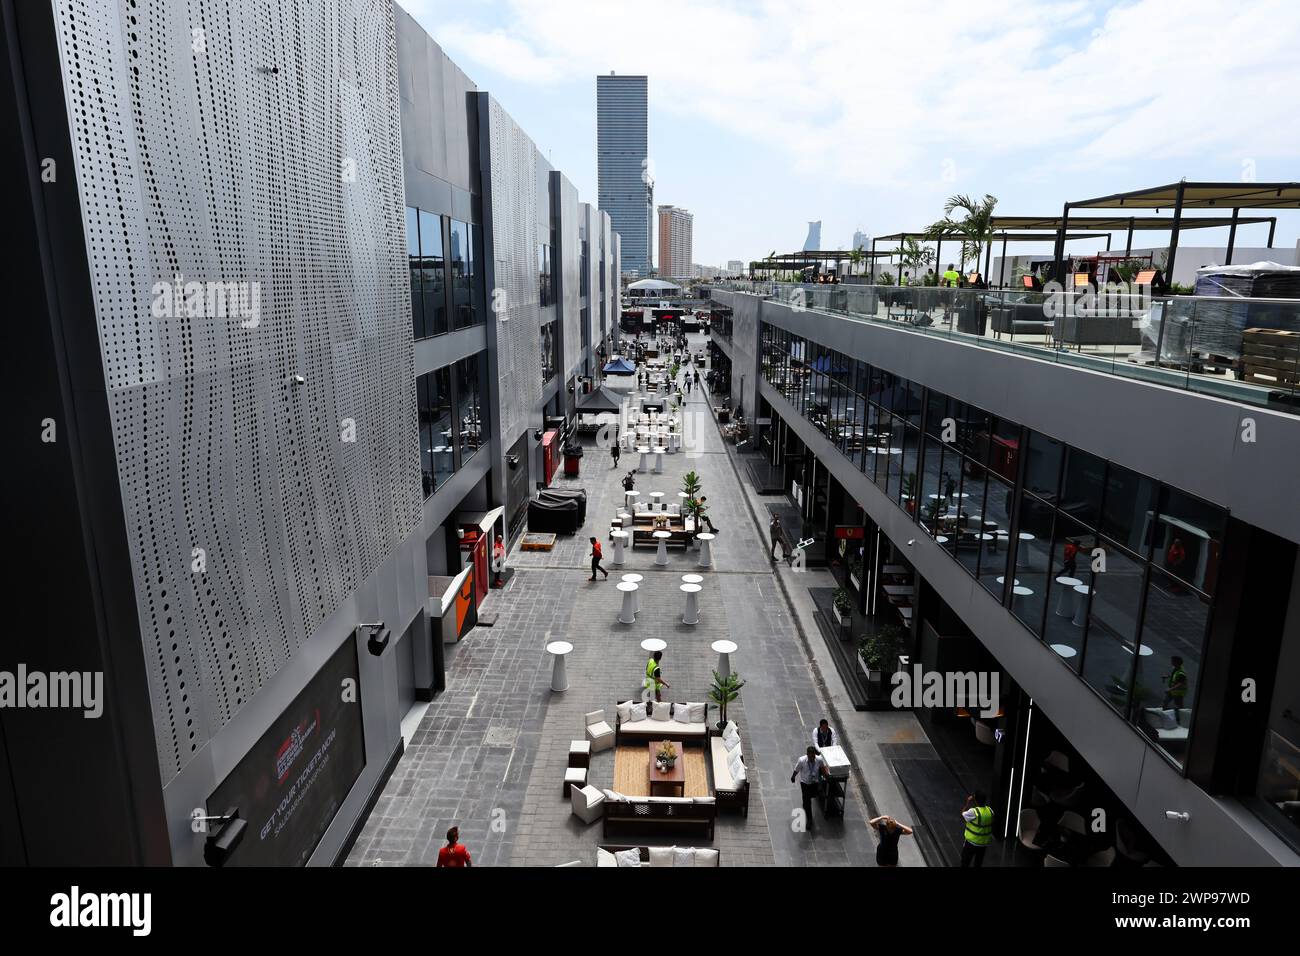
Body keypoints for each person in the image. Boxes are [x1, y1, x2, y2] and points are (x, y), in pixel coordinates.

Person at [790, 746, 830, 829]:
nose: (812, 758)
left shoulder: (819, 760)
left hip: (814, 783)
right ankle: (810, 819)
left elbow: (822, 769)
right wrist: (793, 777)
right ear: (807, 754)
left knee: (812, 796)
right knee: (807, 801)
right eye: (810, 756)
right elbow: (796, 769)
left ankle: (806, 802)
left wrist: (827, 777)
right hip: (805, 783)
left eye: (813, 756)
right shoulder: (802, 760)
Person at [960, 792, 994, 867]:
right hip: (983, 844)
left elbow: (963, 815)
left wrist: (968, 803)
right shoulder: (990, 811)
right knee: (978, 863)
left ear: (975, 801)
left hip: (971, 843)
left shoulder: (974, 812)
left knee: (965, 861)